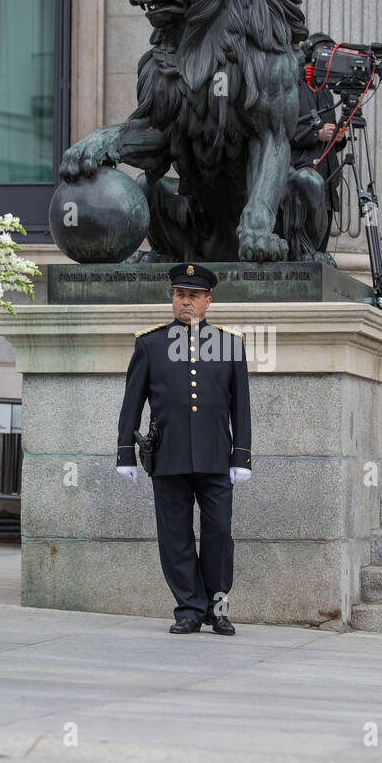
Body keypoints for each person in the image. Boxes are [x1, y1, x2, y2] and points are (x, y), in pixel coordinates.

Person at [116, 263, 252, 634]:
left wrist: (242, 455)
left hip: (214, 456)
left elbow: (241, 405)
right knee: (174, 536)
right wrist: (125, 451)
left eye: (193, 296)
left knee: (219, 534)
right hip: (168, 455)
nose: (185, 302)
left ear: (208, 301)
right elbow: (132, 402)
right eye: (179, 294)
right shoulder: (150, 344)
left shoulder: (229, 344)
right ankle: (189, 609)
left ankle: (217, 607)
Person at [291, 32, 347, 254]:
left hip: (327, 183)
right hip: (302, 181)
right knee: (300, 251)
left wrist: (337, 138)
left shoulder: (326, 92)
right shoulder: (294, 86)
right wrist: (316, 135)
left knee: (320, 253)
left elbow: (328, 136)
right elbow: (284, 131)